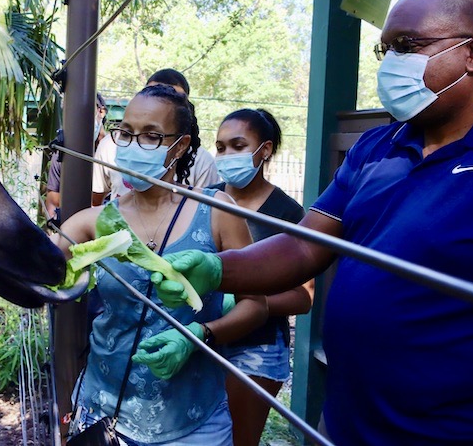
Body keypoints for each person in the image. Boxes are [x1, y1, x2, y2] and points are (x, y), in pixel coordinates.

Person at [150, 0, 473, 445]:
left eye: (407, 46)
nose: (390, 65)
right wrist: (220, 268)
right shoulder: (377, 147)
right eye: (385, 50)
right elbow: (305, 244)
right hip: (345, 422)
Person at [51, 84, 267, 445]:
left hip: (193, 419)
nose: (134, 145)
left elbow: (255, 305)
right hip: (105, 411)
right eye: (126, 133)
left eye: (151, 136)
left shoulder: (216, 211)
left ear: (179, 146)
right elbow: (45, 262)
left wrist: (202, 335)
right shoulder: (93, 222)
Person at [210, 108, 313, 446]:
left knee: (238, 440)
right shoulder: (201, 199)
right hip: (201, 339)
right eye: (221, 147)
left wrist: (253, 305)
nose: (226, 155)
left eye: (238, 146)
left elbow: (304, 297)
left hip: (257, 347)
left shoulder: (287, 214)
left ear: (264, 150)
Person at [92, 69, 219, 205]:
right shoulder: (110, 145)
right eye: (126, 134)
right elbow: (95, 200)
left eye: (152, 136)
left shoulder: (203, 162)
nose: (158, 99)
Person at [45, 93, 108, 223]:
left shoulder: (114, 152)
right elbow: (52, 200)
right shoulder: (62, 154)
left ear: (101, 111)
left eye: (83, 111)